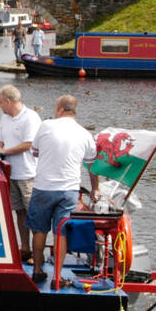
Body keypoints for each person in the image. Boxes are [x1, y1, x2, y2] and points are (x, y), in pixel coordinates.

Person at [27, 95, 99, 280]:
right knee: (61, 232)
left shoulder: (46, 126)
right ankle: (57, 278)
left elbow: (34, 152)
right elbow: (92, 166)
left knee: (40, 230)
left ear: (59, 110)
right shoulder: (85, 134)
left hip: (43, 187)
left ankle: (36, 270)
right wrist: (95, 188)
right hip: (69, 190)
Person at [0, 85, 41, 262]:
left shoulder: (31, 118)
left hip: (28, 174)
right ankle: (24, 248)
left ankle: (37, 253)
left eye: (0, 103)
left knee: (32, 213)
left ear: (8, 102)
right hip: (10, 173)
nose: (0, 106)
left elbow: (28, 144)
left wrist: (4, 152)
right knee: (19, 212)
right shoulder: (5, 118)